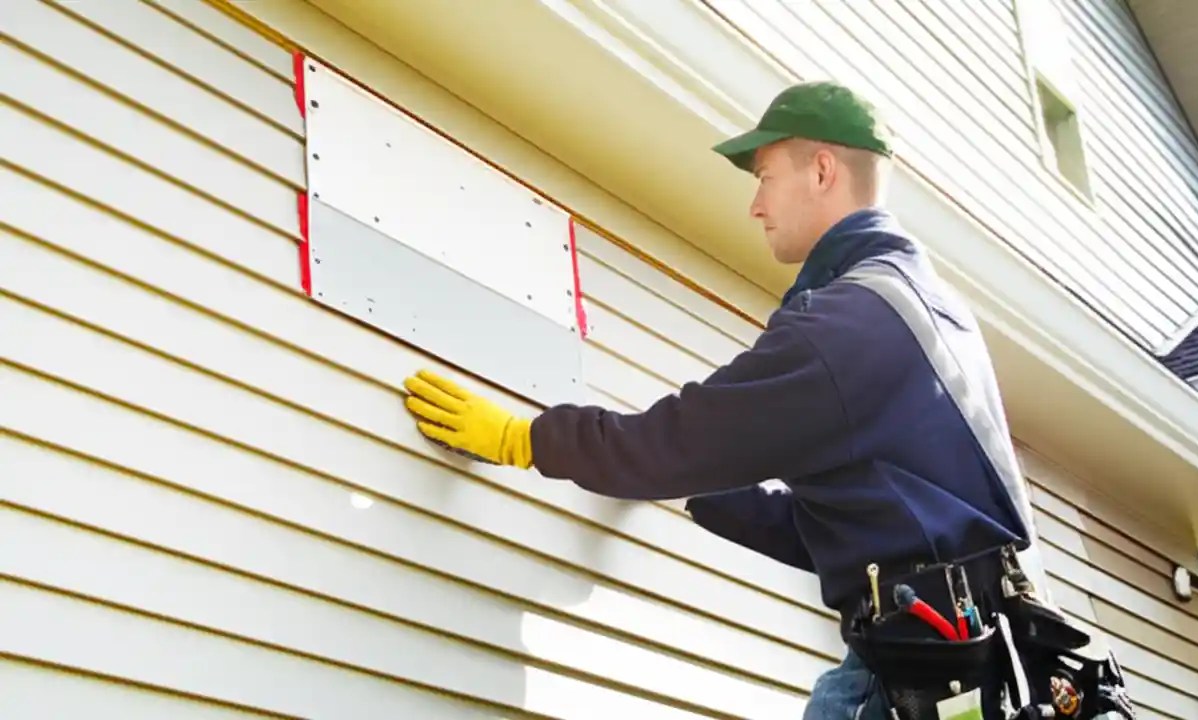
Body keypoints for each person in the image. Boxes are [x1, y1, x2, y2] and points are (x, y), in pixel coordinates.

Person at [402, 81, 1130, 719]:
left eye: (765, 175)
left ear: (822, 169)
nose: (754, 205)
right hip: (956, 654)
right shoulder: (930, 309)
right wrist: (697, 491)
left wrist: (523, 438)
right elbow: (843, 526)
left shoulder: (851, 323)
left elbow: (678, 439)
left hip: (920, 664)